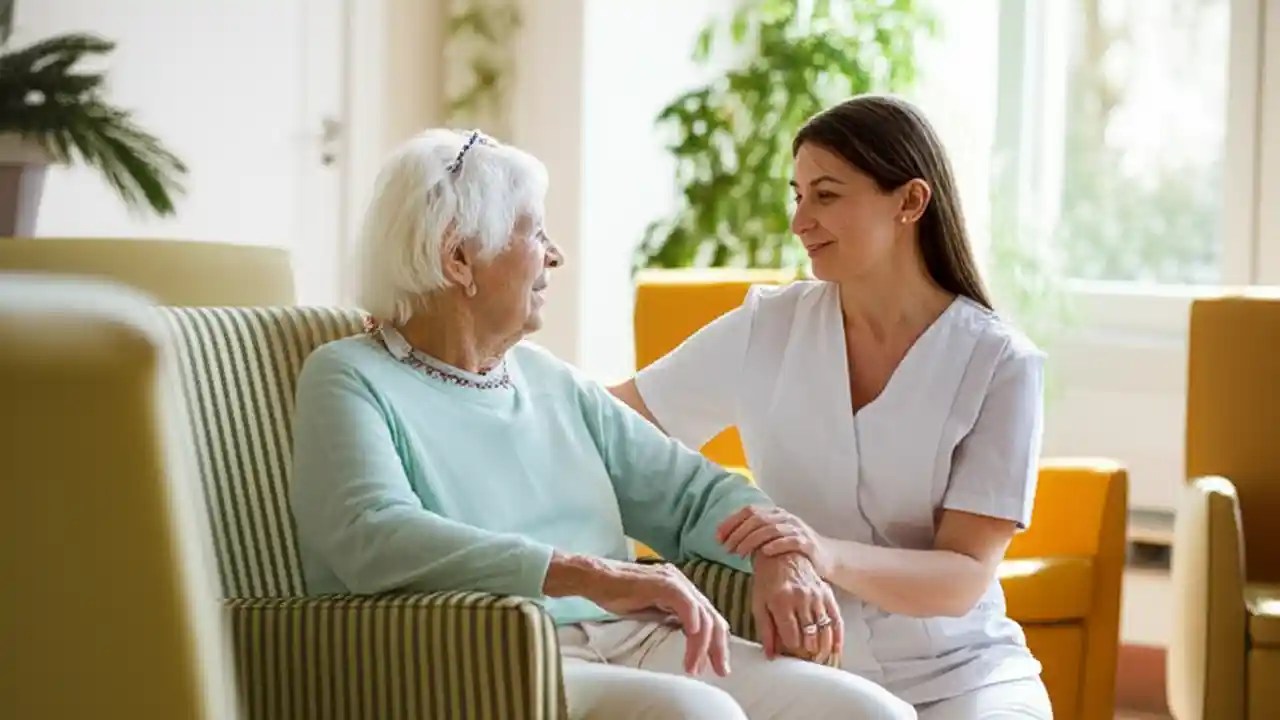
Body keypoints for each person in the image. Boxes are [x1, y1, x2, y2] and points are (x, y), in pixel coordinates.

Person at [288, 128, 914, 720]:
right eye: (535, 234)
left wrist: (783, 556)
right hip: (495, 655)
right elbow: (373, 536)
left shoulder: (548, 378)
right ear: (459, 258)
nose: (555, 256)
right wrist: (589, 574)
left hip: (637, 641)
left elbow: (694, 494)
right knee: (702, 714)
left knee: (869, 711)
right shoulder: (349, 376)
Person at [610, 95, 1054, 719]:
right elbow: (612, 424)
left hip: (963, 678)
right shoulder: (767, 325)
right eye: (798, 195)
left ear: (909, 202)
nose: (799, 221)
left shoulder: (1000, 364)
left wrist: (822, 552)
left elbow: (964, 576)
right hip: (806, 669)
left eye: (826, 195)